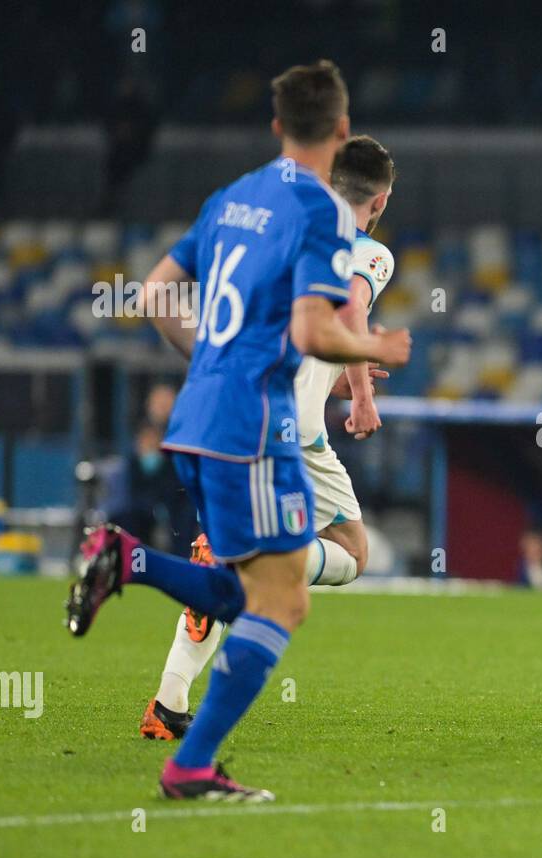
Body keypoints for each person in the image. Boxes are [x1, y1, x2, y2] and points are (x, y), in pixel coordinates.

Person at [65, 61, 412, 801]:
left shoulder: (231, 201)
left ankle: (135, 579)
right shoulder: (330, 219)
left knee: (258, 588)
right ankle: (190, 760)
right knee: (284, 596)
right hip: (263, 426)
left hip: (200, 413)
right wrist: (372, 350)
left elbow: (154, 293)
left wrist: (218, 361)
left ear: (277, 126)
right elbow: (321, 321)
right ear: (342, 130)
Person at [139, 135, 399, 741]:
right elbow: (353, 310)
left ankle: (169, 705)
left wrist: (329, 378)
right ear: (379, 200)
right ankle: (194, 746)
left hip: (236, 406)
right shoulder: (368, 250)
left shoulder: (280, 232)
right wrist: (360, 394)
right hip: (290, 427)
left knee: (344, 551)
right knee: (309, 570)